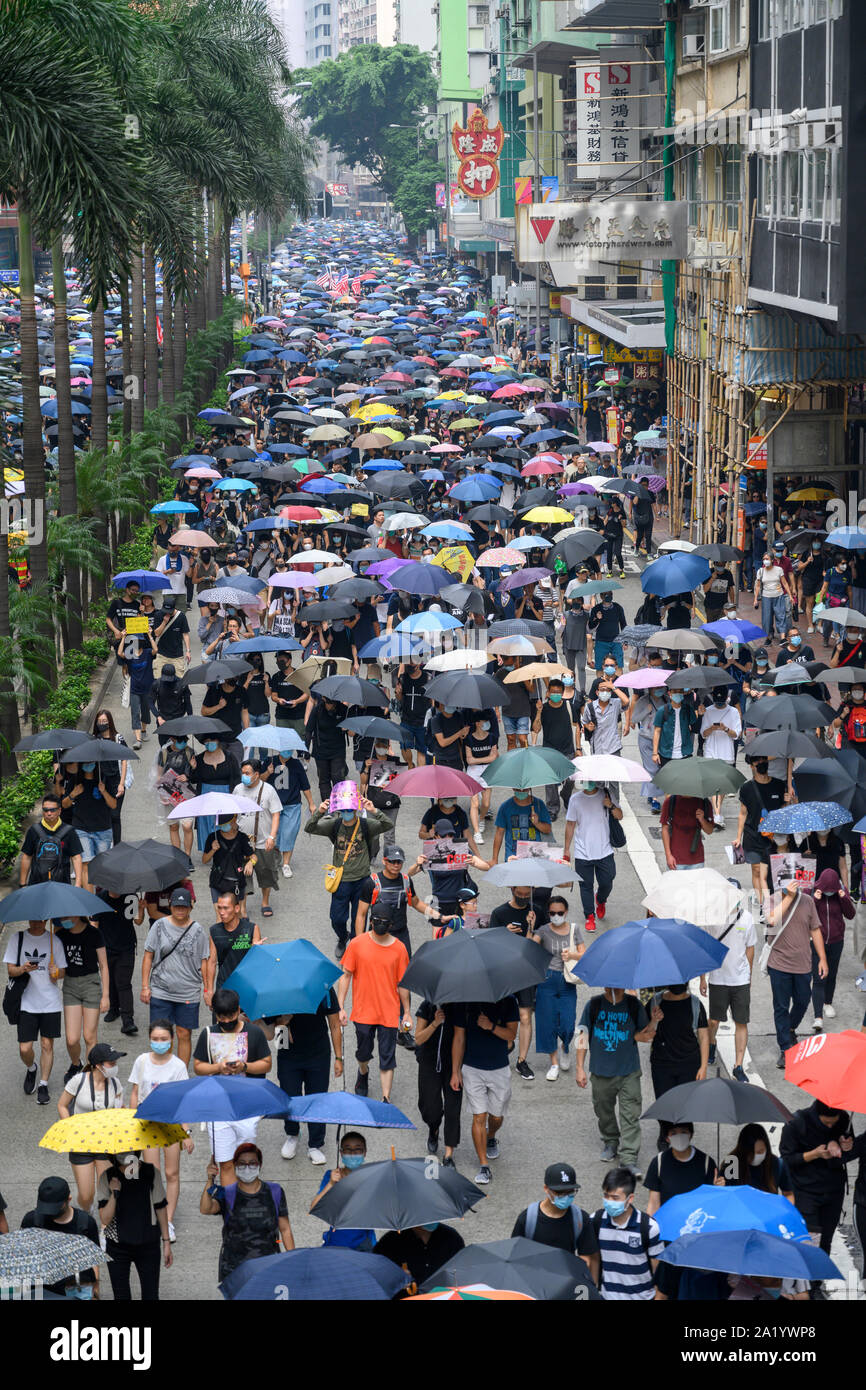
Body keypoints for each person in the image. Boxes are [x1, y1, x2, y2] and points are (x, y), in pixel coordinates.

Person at [193, 987, 272, 1186]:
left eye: (230, 1015)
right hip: (218, 1108)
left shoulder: (253, 1032)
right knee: (226, 1163)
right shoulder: (208, 1034)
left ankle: (245, 1201)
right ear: (215, 1014)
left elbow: (266, 1063)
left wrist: (245, 1067)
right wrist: (218, 1067)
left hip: (248, 1107)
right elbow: (198, 1067)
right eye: (221, 1016)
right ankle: (230, 1208)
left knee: (246, 1161)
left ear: (238, 1011)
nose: (226, 1021)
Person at [576, 986, 659, 1175]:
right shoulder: (594, 1005)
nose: (615, 988)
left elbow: (644, 1035)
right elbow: (583, 1035)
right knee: (603, 1110)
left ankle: (629, 1157)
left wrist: (654, 1020)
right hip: (601, 1071)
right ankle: (610, 1140)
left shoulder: (633, 1005)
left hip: (628, 1071)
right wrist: (579, 1067)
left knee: (630, 1114)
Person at [305, 782, 393, 959]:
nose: (347, 813)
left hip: (362, 880)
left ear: (355, 809)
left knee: (359, 918)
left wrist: (374, 810)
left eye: (349, 810)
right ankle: (342, 937)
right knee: (337, 918)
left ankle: (354, 944)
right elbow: (310, 828)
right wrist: (320, 812)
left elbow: (387, 824)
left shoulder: (367, 824)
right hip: (341, 881)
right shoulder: (334, 825)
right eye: (343, 810)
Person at [337, 907, 411, 1103]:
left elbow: (403, 984)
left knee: (387, 1057)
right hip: (363, 1011)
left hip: (388, 1012)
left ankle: (386, 1098)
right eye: (376, 920)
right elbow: (345, 975)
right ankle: (363, 1071)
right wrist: (341, 1006)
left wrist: (407, 1013)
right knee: (363, 1052)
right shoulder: (357, 944)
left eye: (384, 921)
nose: (379, 924)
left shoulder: (399, 949)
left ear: (391, 925)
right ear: (370, 921)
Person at [128, 1020, 192, 1242]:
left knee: (171, 1173)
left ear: (172, 1040)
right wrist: (133, 1118)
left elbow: (183, 1101)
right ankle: (157, 1218)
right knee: (152, 1174)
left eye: (163, 1039)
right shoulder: (142, 1061)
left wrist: (186, 1132)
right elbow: (136, 1092)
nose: (159, 1043)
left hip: (171, 1124)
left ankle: (169, 1222)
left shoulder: (178, 1066)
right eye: (155, 1039)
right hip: (147, 1123)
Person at [263, 987, 342, 1166]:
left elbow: (335, 1023)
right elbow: (274, 1035)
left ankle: (315, 1144)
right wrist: (283, 1022)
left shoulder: (323, 988)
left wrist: (338, 1057)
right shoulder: (278, 990)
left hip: (318, 1053)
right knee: (289, 1096)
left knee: (318, 1099)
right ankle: (292, 1134)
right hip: (288, 1055)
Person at [200, 1142, 294, 1283]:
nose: (247, 1167)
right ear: (235, 1166)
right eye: (242, 1163)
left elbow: (285, 1230)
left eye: (252, 1163)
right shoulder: (227, 1193)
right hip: (235, 1271)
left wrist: (293, 1262)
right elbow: (206, 1209)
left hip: (268, 1268)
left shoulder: (275, 1191)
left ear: (260, 1165)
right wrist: (210, 1179)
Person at [450, 995, 519, 1186]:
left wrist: (491, 1026)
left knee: (496, 1117)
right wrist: (455, 1071)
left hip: (499, 1068)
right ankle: (483, 1165)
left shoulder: (509, 1000)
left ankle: (491, 1136)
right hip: (472, 1068)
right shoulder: (462, 1002)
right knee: (478, 1116)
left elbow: (512, 1035)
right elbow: (458, 1038)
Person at [140, 887, 210, 1065]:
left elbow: (204, 961)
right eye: (177, 906)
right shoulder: (159, 926)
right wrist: (145, 986)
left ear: (190, 907)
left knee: (184, 1033)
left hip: (188, 990)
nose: (180, 910)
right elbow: (148, 955)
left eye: (184, 907)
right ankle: (164, 1071)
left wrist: (207, 989)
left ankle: (181, 1074)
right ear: (170, 906)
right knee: (161, 1034)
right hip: (161, 989)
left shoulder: (198, 930)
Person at [779, 1101, 855, 1263]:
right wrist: (814, 1154)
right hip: (805, 1191)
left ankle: (816, 1285)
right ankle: (805, 1284)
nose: (830, 1126)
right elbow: (785, 1160)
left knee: (826, 1241)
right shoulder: (796, 1123)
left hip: (833, 1191)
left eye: (833, 1123)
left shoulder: (843, 1120)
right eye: (826, 1122)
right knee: (810, 1241)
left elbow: (848, 1153)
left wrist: (846, 1146)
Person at [764, 880, 829, 1066]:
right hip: (778, 964)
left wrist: (822, 958)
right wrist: (788, 898)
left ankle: (790, 1028)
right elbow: (771, 920)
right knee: (781, 1007)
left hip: (803, 963)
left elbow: (815, 929)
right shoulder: (772, 899)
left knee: (803, 1000)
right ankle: (785, 1048)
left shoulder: (808, 901)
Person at [56, 1043, 125, 1213]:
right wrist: (70, 1127)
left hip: (105, 1144)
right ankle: (87, 1211)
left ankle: (104, 1227)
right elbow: (62, 1105)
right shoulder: (78, 1081)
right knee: (86, 1195)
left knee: (106, 1191)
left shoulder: (116, 1084)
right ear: (98, 1065)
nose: (114, 1067)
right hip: (81, 1143)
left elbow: (120, 1111)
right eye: (111, 1063)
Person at [4, 918, 66, 1104]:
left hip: (50, 1002)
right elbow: (10, 971)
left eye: (40, 921)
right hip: (26, 1002)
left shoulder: (54, 941)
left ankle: (43, 1083)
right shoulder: (18, 938)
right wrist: (23, 968)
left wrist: (56, 972)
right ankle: (31, 1068)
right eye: (33, 920)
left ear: (45, 920)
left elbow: (62, 972)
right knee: (25, 1048)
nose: (37, 924)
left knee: (47, 1044)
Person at [97, 1150, 172, 1301]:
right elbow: (105, 1219)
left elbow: (160, 1207)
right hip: (117, 1246)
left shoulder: (151, 1172)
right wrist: (114, 1194)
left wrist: (166, 1241)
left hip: (148, 1244)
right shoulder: (107, 1176)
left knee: (151, 1295)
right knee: (121, 1296)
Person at [699, 892, 757, 1084]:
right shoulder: (712, 918)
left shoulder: (747, 918)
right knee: (713, 1021)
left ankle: (738, 1066)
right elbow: (705, 949)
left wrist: (748, 974)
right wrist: (703, 978)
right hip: (718, 978)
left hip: (740, 980)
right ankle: (712, 1042)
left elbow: (750, 947)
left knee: (741, 1022)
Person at [512, 1162, 600, 1285]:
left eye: (570, 1192)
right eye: (560, 1193)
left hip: (566, 1283)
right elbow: (516, 1257)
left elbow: (586, 1258)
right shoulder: (527, 1219)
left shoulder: (580, 1219)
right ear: (546, 1189)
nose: (565, 1197)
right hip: (534, 1284)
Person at [355, 844, 444, 958]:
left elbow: (416, 903)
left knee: (405, 970)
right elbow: (361, 915)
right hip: (378, 935)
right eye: (392, 861)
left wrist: (439, 916)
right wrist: (359, 943)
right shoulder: (371, 883)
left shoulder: (406, 881)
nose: (396, 865)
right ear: (384, 861)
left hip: (401, 934)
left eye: (399, 862)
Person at [20, 1175, 102, 1298]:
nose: (49, 1212)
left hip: (75, 1289)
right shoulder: (32, 1220)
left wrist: (94, 1289)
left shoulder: (85, 1223)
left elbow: (93, 1260)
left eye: (54, 1207)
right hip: (41, 1290)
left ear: (68, 1199)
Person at [531, 895, 584, 1080]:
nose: (556, 916)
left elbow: (584, 954)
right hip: (547, 980)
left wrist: (572, 955)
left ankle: (565, 1046)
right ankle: (553, 1063)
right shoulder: (543, 930)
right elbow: (529, 948)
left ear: (566, 912)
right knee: (547, 1022)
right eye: (552, 913)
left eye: (560, 913)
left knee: (569, 1023)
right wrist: (531, 927)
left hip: (567, 980)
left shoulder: (574, 929)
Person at [647, 985, 709, 1143]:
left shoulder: (695, 1004)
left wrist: (703, 1066)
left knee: (685, 1107)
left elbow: (703, 1037)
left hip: (689, 1064)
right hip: (662, 1064)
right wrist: (654, 1020)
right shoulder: (655, 1002)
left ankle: (684, 1137)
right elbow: (644, 1034)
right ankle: (665, 1134)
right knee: (663, 1103)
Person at [593, 1167, 663, 1301]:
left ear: (630, 1198)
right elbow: (592, 1259)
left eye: (615, 1198)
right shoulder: (596, 1221)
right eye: (606, 1196)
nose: (609, 1201)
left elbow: (659, 1273)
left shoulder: (649, 1228)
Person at [57, 915, 109, 1084]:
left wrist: (106, 995)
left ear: (78, 914)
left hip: (91, 984)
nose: (64, 919)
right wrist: (54, 969)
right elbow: (58, 966)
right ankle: (75, 1063)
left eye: (67, 915)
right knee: (72, 1039)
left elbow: (103, 965)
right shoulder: (60, 935)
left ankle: (91, 1073)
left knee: (89, 1036)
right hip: (70, 985)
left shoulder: (94, 933)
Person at [564, 781, 622, 931]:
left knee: (608, 880)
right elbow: (570, 824)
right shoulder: (575, 799)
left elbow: (619, 816)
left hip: (605, 850)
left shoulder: (606, 794)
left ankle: (601, 899)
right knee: (585, 885)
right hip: (582, 851)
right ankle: (589, 916)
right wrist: (566, 850)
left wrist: (611, 805)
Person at [733, 751, 788, 904]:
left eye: (764, 759)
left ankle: (774, 899)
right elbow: (743, 813)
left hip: (774, 838)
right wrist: (738, 837)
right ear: (751, 766)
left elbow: (784, 811)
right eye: (758, 761)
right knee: (756, 870)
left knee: (774, 871)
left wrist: (789, 800)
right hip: (752, 836)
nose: (762, 762)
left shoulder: (779, 785)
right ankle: (763, 902)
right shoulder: (746, 788)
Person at [309, 1132, 375, 1251]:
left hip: (364, 1243)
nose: (353, 1154)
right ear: (341, 1153)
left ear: (365, 1152)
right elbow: (314, 1207)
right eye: (348, 1150)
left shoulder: (372, 1177)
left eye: (358, 1150)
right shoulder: (331, 1175)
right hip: (336, 1241)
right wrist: (331, 1184)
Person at [807, 868, 855, 1032]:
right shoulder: (812, 891)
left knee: (832, 974)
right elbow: (805, 915)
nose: (829, 893)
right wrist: (815, 900)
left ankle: (828, 1003)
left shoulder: (841, 892)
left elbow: (850, 915)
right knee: (819, 977)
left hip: (836, 941)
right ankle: (818, 1016)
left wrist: (843, 899)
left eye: (831, 890)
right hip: (817, 942)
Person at [232, 759, 281, 918]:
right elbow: (233, 812)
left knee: (266, 873)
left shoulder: (268, 791)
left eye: (247, 773)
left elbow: (275, 814)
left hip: (263, 842)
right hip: (242, 842)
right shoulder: (238, 789)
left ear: (257, 775)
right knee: (242, 876)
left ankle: (265, 902)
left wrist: (272, 836)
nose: (244, 776)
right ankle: (243, 908)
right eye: (243, 773)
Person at [414, 996, 461, 1165]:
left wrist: (456, 1071)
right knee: (430, 1107)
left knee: (452, 1108)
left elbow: (460, 1037)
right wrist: (435, 1022)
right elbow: (418, 1038)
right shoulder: (427, 1006)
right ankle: (433, 1129)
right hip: (429, 1061)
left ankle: (449, 1154)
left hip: (452, 1062)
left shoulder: (459, 1008)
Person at [644, 1122, 720, 1217]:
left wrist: (719, 1188)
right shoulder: (658, 1162)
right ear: (667, 1138)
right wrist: (649, 1228)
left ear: (691, 1135)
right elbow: (654, 1204)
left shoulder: (707, 1162)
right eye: (674, 1133)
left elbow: (713, 1201)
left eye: (684, 1132)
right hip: (668, 1221)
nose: (679, 1137)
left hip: (697, 1222)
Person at [264, 750, 314, 877]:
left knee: (289, 833)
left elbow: (305, 786)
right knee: (274, 834)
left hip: (292, 804)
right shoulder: (269, 761)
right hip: (272, 805)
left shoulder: (297, 764)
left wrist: (311, 803)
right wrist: (267, 772)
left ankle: (286, 864)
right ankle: (274, 859)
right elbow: (259, 780)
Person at [374, 1220, 465, 1288]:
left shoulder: (451, 1237)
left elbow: (464, 1267)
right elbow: (376, 1275)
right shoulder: (389, 1243)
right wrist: (395, 1277)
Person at [19, 792, 83, 886]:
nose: (49, 813)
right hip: (37, 884)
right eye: (46, 810)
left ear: (59, 811)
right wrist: (22, 884)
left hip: (62, 884)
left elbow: (76, 857)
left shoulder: (69, 831)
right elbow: (27, 857)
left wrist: (78, 883)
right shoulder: (33, 831)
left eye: (53, 810)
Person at [699, 687, 741, 826]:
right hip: (711, 750)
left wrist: (725, 729)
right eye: (717, 702)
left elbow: (737, 735)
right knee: (713, 783)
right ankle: (717, 814)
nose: (719, 704)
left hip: (726, 751)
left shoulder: (733, 712)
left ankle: (716, 812)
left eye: (721, 702)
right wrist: (712, 728)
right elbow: (703, 734)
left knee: (721, 785)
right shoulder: (708, 711)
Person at [722, 1123, 793, 1198]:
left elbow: (788, 1194)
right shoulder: (732, 1163)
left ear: (767, 1147)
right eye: (751, 1153)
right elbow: (726, 1195)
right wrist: (719, 1187)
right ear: (743, 1151)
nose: (756, 1156)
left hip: (768, 1208)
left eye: (760, 1151)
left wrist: (786, 1209)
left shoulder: (777, 1164)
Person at [202, 813, 255, 909]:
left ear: (234, 821)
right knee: (220, 916)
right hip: (217, 881)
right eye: (221, 824)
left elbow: (254, 856)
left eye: (226, 823)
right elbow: (205, 860)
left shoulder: (242, 838)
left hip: (237, 882)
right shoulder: (212, 837)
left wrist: (251, 863)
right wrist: (213, 850)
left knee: (236, 915)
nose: (223, 826)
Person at [490, 787, 552, 863]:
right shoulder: (505, 807)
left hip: (535, 856)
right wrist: (494, 859)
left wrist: (537, 823)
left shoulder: (539, 805)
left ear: (530, 788)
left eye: (524, 789)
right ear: (513, 788)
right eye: (518, 789)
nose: (521, 791)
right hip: (513, 857)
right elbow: (499, 833)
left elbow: (548, 830)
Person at [660, 793, 715, 870]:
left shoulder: (704, 802)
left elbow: (709, 831)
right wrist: (668, 855)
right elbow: (665, 829)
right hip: (676, 860)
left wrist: (702, 820)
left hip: (697, 860)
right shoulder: (671, 801)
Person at [754, 551, 795, 643]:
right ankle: (768, 637)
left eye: (767, 559)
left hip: (779, 596)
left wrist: (790, 595)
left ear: (772, 560)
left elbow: (784, 583)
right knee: (766, 618)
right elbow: (757, 586)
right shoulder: (760, 571)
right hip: (766, 597)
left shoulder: (778, 569)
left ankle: (783, 637)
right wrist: (755, 599)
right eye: (764, 559)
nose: (765, 561)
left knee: (781, 616)